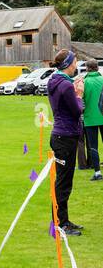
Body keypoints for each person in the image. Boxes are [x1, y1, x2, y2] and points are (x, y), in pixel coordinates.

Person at [48, 49, 85, 236]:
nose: (77, 64)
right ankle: (60, 223)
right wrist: (79, 93)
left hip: (62, 136)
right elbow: (77, 110)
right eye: (76, 61)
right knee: (63, 182)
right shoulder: (65, 86)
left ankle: (63, 220)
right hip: (65, 137)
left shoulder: (56, 81)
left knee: (63, 181)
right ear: (69, 64)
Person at [82, 59, 103, 182]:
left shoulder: (84, 82)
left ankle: (97, 172)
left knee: (93, 146)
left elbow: (80, 99)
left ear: (87, 68)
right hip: (102, 115)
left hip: (90, 118)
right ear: (97, 67)